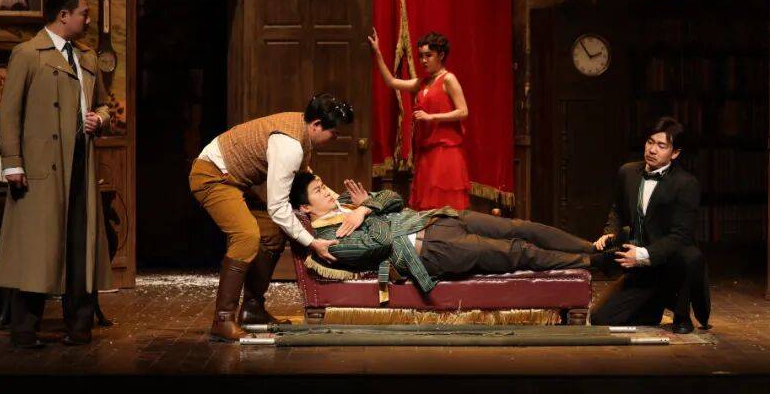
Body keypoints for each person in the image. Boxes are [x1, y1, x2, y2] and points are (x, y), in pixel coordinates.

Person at [0, 0, 113, 348]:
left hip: (80, 163)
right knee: (36, 247)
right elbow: (9, 113)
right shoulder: (28, 54)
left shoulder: (88, 58)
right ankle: (24, 330)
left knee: (80, 245)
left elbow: (105, 104)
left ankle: (79, 327)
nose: (88, 20)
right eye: (83, 13)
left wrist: (100, 118)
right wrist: (12, 163)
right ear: (63, 15)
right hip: (41, 168)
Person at [189, 95, 353, 341]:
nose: (336, 138)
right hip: (212, 176)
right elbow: (278, 207)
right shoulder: (290, 145)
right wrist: (312, 242)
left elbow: (308, 178)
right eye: (334, 132)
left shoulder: (302, 133)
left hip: (234, 181)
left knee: (273, 233)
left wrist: (344, 205)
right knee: (246, 235)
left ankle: (253, 309)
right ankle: (223, 319)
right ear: (317, 124)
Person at [289, 171, 608, 295]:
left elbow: (394, 198)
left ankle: (590, 246)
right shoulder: (328, 239)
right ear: (305, 208)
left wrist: (365, 208)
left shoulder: (347, 203)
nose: (327, 192)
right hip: (429, 251)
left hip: (437, 219)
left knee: (520, 227)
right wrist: (370, 209)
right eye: (318, 191)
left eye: (323, 185)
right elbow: (381, 242)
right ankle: (591, 263)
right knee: (515, 250)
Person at [590, 117, 710, 334]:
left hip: (670, 263)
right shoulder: (628, 172)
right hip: (641, 267)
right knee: (601, 318)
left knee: (690, 256)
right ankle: (653, 304)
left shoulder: (686, 183)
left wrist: (643, 255)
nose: (652, 150)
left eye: (661, 146)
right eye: (650, 142)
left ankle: (681, 313)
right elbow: (617, 209)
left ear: (675, 153)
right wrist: (610, 232)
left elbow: (680, 236)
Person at [368, 29, 470, 210]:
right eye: (421, 56)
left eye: (428, 55)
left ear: (441, 55)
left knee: (443, 203)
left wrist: (432, 117)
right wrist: (377, 53)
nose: (423, 60)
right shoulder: (422, 83)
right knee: (426, 205)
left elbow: (463, 111)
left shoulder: (448, 79)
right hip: (426, 152)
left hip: (445, 149)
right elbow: (391, 82)